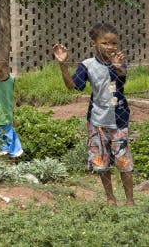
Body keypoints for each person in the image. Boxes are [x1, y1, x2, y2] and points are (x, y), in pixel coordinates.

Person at [53, 22, 135, 206]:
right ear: (93, 44)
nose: (110, 47)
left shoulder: (119, 62)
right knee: (102, 164)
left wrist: (118, 67)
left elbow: (122, 77)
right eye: (105, 43)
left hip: (119, 121)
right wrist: (62, 65)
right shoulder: (87, 65)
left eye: (114, 43)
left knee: (124, 164)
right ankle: (110, 199)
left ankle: (130, 201)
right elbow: (72, 86)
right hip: (97, 122)